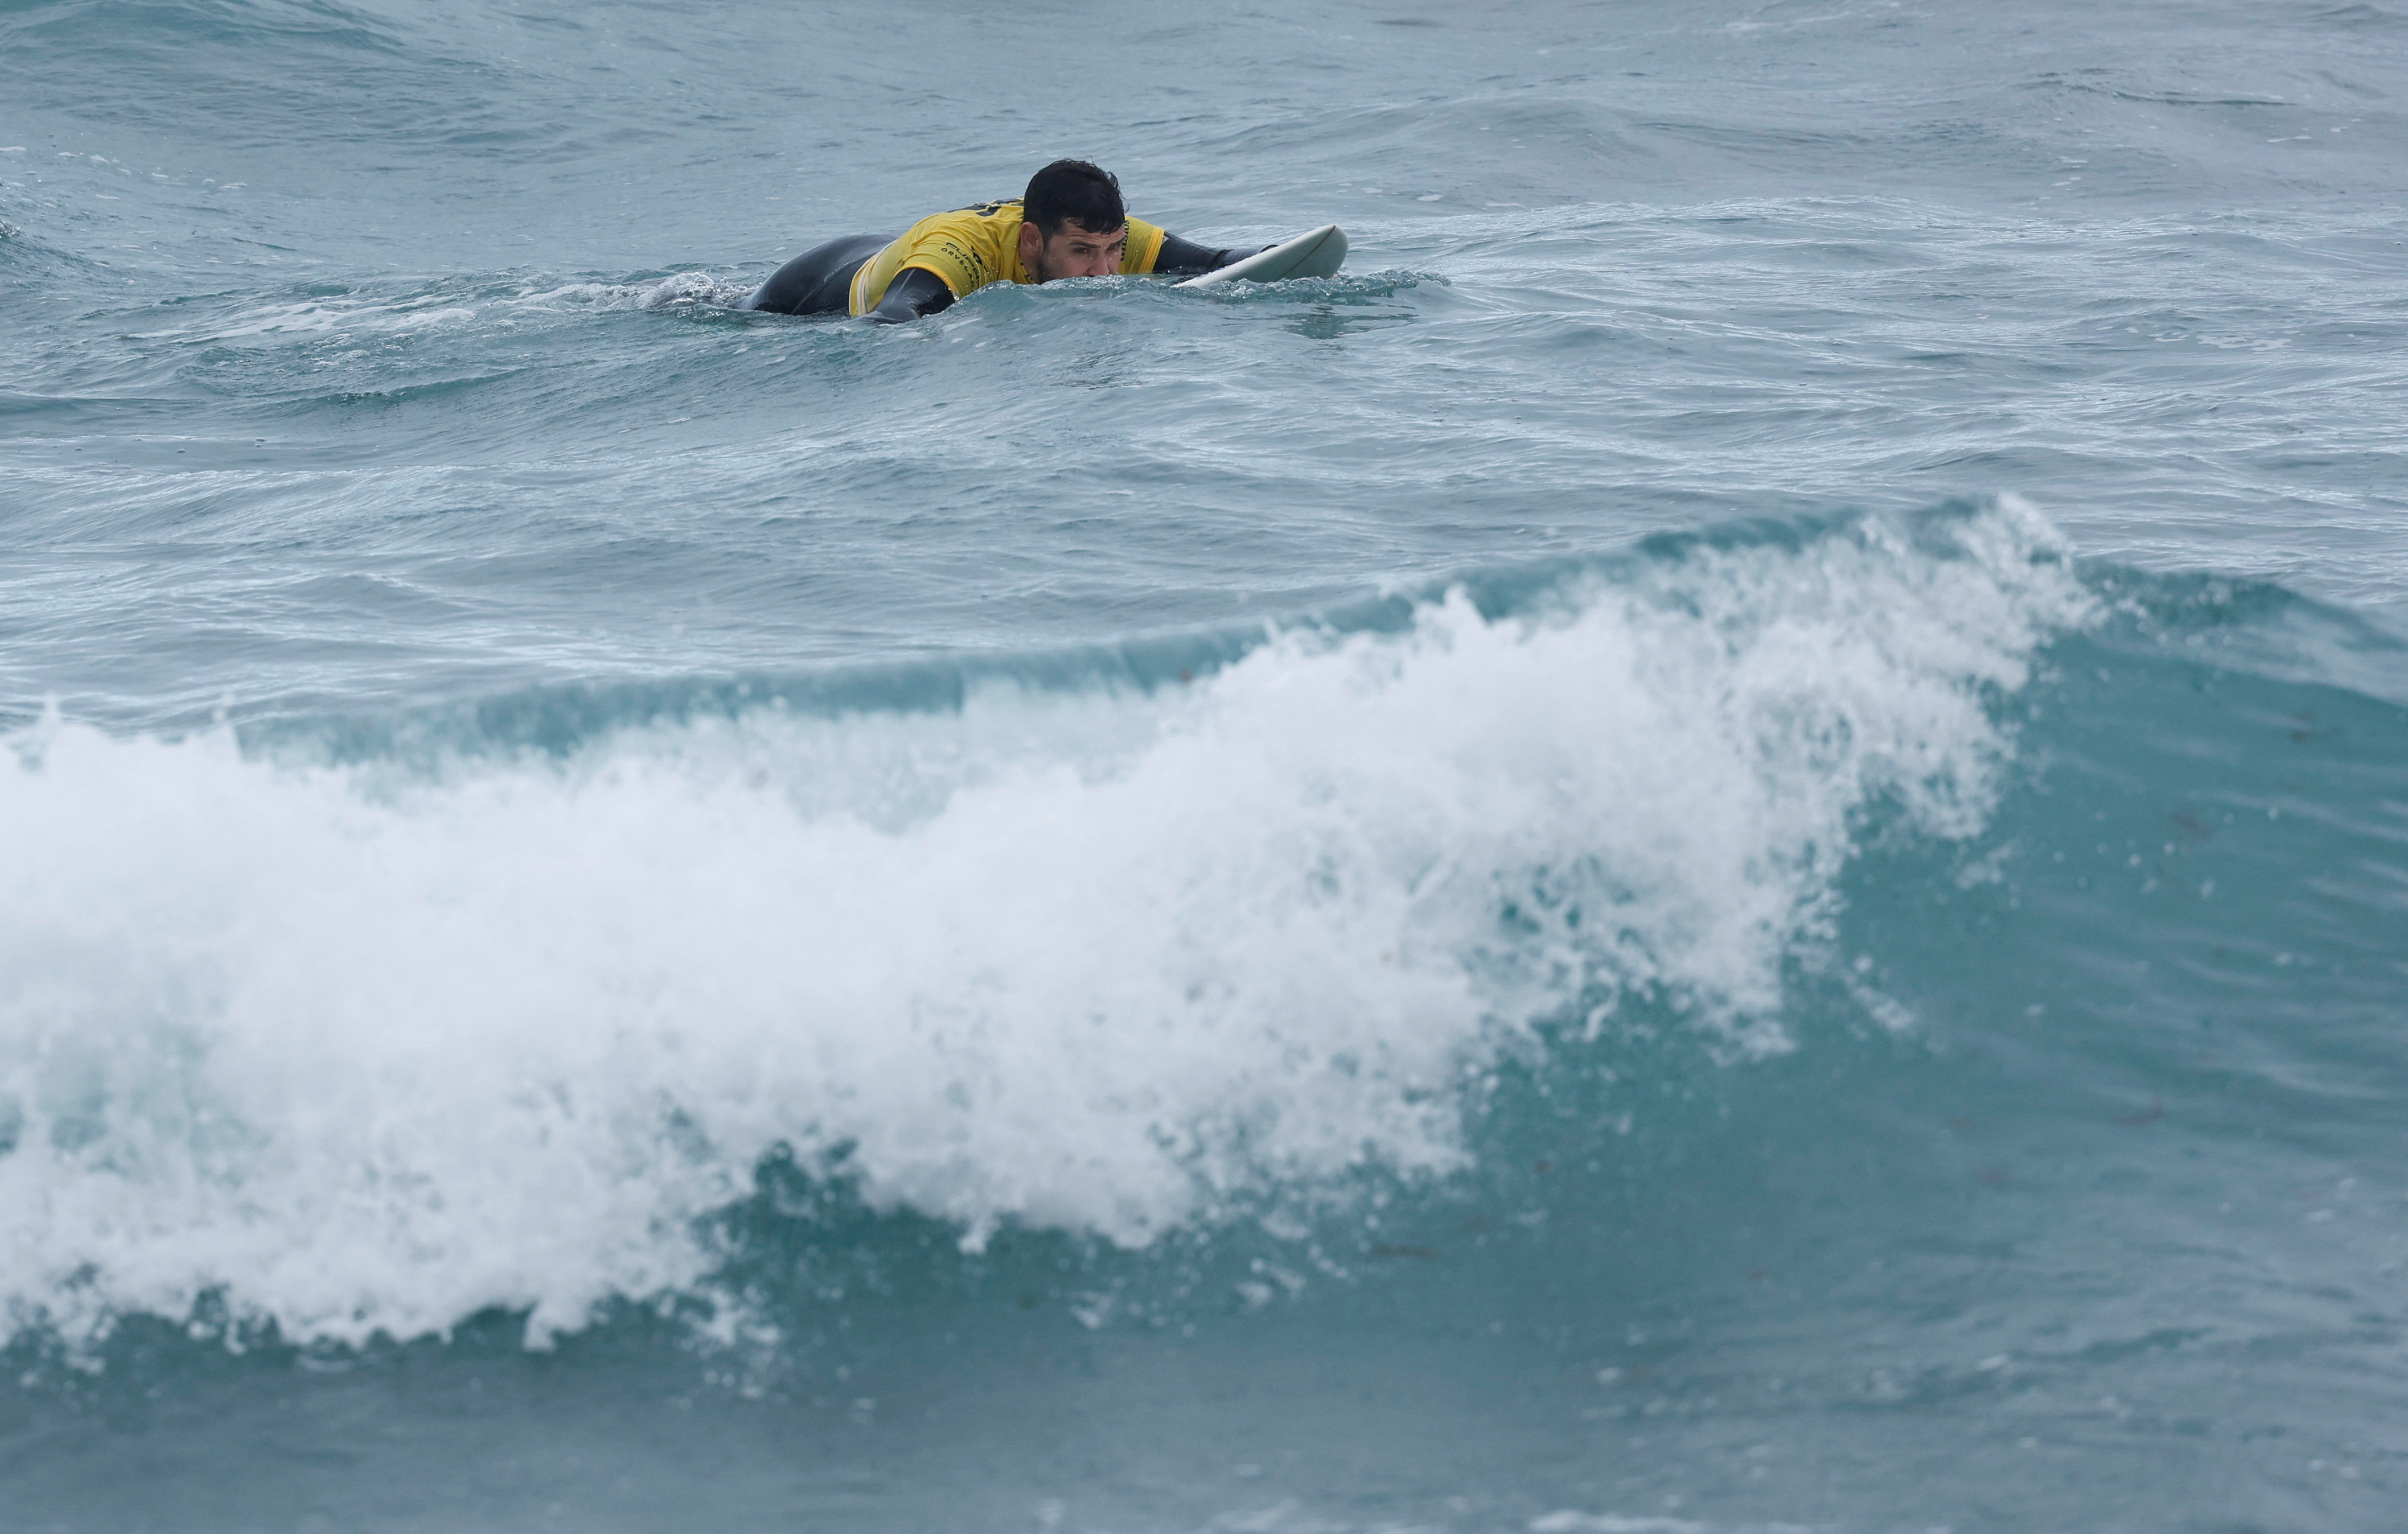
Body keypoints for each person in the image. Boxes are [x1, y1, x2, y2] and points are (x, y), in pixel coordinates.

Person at [741, 159, 1262, 323]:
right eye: (1082, 253)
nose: (1105, 273)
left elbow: (1218, 263)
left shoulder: (1107, 236)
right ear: (1032, 239)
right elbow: (898, 313)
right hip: (816, 287)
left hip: (889, 247)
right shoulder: (961, 253)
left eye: (1114, 251)